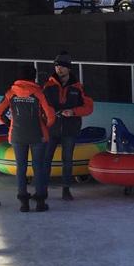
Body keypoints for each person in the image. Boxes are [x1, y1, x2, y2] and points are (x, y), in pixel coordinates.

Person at [0, 65, 56, 212]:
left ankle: (23, 202)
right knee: (38, 167)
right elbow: (51, 115)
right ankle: (40, 202)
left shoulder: (10, 93)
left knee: (21, 168)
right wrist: (45, 126)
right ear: (33, 77)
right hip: (37, 135)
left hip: (17, 135)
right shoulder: (39, 93)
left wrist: (9, 124)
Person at [42, 52, 94, 201]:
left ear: (69, 68)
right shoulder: (48, 85)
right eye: (57, 66)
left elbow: (89, 107)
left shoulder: (78, 87)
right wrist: (51, 113)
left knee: (67, 160)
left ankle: (66, 189)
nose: (59, 69)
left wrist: (73, 112)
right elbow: (42, 105)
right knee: (46, 160)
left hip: (70, 129)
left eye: (62, 66)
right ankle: (42, 189)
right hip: (51, 128)